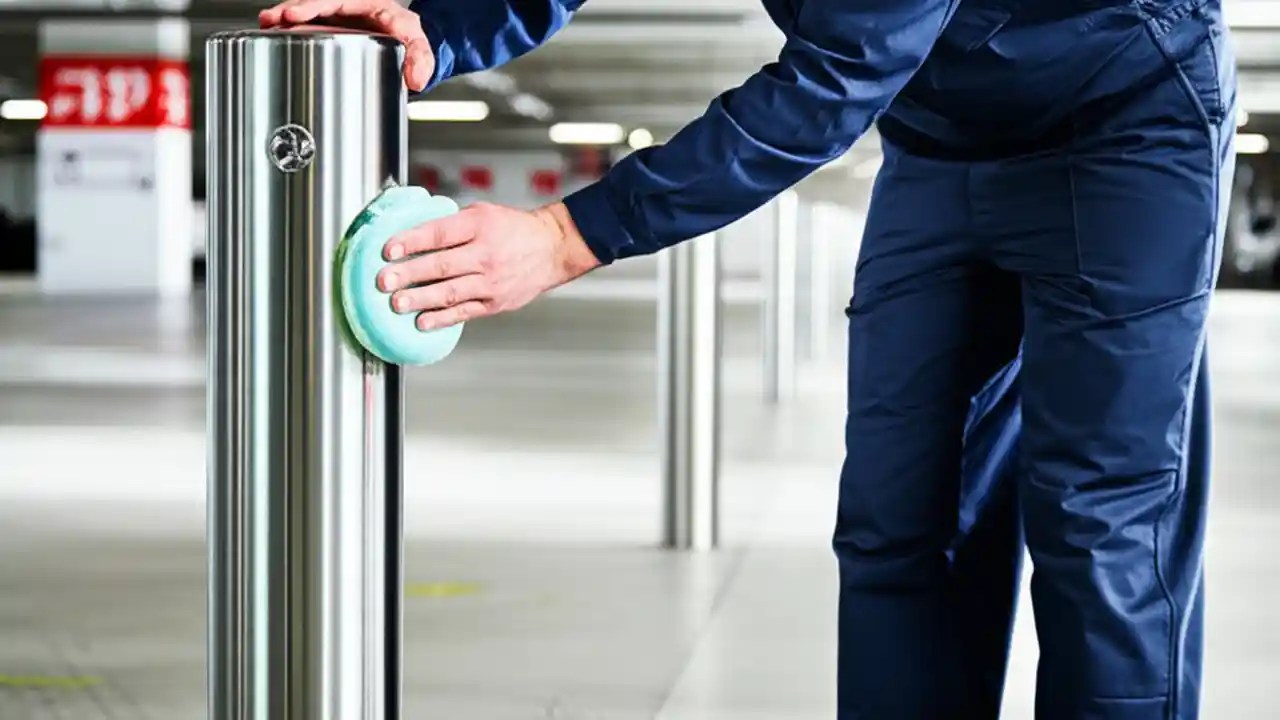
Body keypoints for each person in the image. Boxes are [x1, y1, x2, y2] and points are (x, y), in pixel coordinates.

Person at [261, 1, 1235, 718]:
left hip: (1122, 116)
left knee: (1097, 523)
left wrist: (567, 236)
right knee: (896, 527)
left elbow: (833, 76)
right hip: (938, 139)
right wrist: (446, 21)